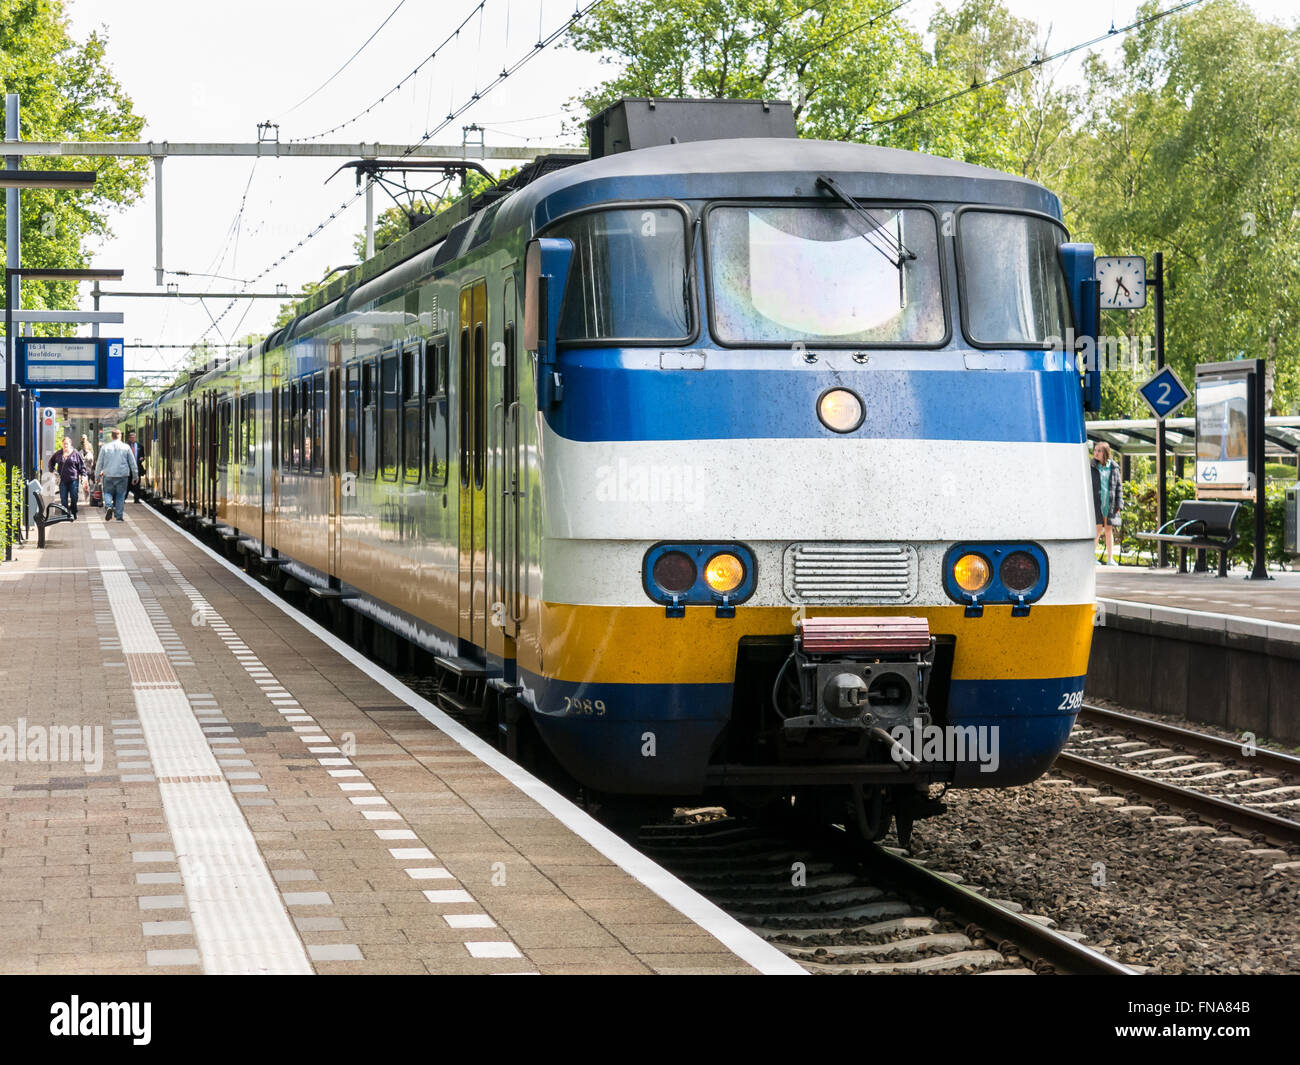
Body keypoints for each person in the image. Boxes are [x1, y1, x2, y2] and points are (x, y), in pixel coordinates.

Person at [93, 428, 139, 522]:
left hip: (108, 475)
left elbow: (99, 463)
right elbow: (132, 463)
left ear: (111, 436)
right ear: (120, 436)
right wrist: (135, 476)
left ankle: (109, 506)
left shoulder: (105, 447)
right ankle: (119, 516)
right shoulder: (126, 447)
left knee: (107, 492)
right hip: (122, 475)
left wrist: (97, 476)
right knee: (120, 495)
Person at [1091, 441, 1123, 565]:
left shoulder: (1114, 467)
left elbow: (1119, 487)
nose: (1096, 453)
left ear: (1105, 453)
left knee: (1109, 530)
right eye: (1095, 450)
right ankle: (1091, 558)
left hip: (1109, 504)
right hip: (1096, 503)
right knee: (1097, 530)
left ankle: (1110, 559)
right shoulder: (1091, 467)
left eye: (1099, 451)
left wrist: (1119, 504)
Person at [48, 436, 86, 520]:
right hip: (62, 480)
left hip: (73, 479)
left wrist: (83, 475)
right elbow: (51, 462)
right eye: (64, 444)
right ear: (62, 444)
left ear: (70, 444)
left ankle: (74, 512)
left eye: (67, 444)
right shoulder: (58, 453)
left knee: (74, 497)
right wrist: (53, 471)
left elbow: (81, 466)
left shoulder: (75, 453)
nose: (65, 445)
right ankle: (65, 515)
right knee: (63, 498)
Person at [126, 430, 143, 503]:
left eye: (134, 437)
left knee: (137, 484)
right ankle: (124, 498)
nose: (133, 438)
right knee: (127, 484)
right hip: (128, 468)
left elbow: (142, 455)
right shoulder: (126, 446)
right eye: (131, 437)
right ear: (129, 438)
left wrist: (142, 458)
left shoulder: (140, 446)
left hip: (137, 467)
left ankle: (136, 499)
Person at [79, 434, 95, 505]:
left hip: (89, 470)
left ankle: (88, 496)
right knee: (84, 484)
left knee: (88, 484)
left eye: (84, 438)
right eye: (82, 438)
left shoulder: (90, 446)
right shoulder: (79, 446)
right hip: (82, 471)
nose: (83, 439)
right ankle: (86, 496)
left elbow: (92, 458)